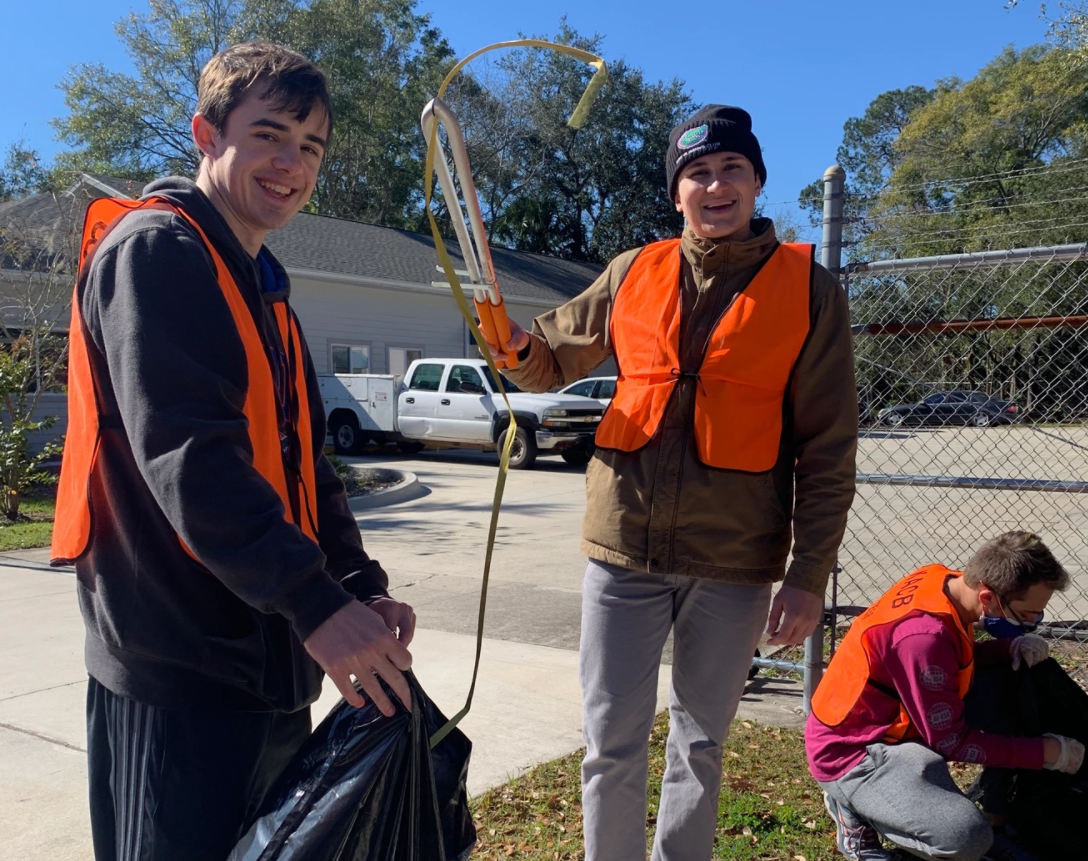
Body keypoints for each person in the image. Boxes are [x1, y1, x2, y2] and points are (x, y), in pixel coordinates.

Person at [50, 42, 416, 860]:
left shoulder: (264, 287)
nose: (292, 164)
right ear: (206, 134)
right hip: (181, 674)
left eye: (311, 146)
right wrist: (319, 606)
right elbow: (191, 459)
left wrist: (357, 586)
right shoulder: (159, 253)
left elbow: (307, 469)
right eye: (269, 135)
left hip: (270, 662)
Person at [486, 105, 858, 861]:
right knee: (609, 741)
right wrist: (515, 346)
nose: (715, 186)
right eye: (697, 173)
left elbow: (828, 447)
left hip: (735, 561)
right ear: (676, 191)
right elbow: (550, 358)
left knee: (701, 743)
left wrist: (807, 575)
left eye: (731, 169)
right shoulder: (634, 270)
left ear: (757, 181)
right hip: (622, 547)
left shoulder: (811, 291)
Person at [806, 531, 1082, 861]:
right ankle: (854, 806)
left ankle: (998, 814)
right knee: (966, 838)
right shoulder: (924, 637)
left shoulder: (942, 581)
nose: (1032, 622)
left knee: (1011, 679)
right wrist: (1045, 753)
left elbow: (945, 658)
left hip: (890, 721)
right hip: (855, 752)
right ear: (987, 597)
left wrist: (1006, 649)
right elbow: (951, 741)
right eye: (1025, 614)